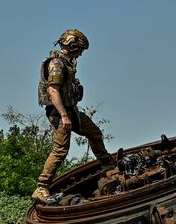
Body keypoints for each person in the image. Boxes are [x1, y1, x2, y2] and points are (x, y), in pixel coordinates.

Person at [33, 28, 115, 202]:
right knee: (60, 150)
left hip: (71, 110)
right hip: (60, 112)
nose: (80, 54)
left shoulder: (67, 63)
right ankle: (41, 187)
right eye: (80, 50)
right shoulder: (57, 63)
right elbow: (53, 90)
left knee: (94, 132)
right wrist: (63, 115)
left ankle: (108, 165)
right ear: (72, 45)